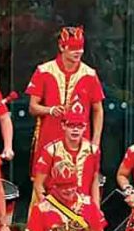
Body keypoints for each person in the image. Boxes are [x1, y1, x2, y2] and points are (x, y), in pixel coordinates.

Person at [26, 26, 105, 172]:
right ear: (62, 47)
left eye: (81, 48)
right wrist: (50, 110)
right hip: (49, 139)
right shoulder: (43, 71)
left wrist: (95, 141)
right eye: (74, 48)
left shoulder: (90, 74)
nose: (79, 52)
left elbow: (98, 110)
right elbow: (32, 107)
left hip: (80, 142)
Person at [31, 99, 102, 209]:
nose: (75, 130)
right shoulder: (51, 150)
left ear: (85, 127)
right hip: (56, 206)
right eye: (71, 126)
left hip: (84, 208)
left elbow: (94, 181)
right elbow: (38, 184)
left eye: (79, 126)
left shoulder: (93, 150)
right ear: (63, 125)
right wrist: (47, 207)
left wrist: (96, 209)